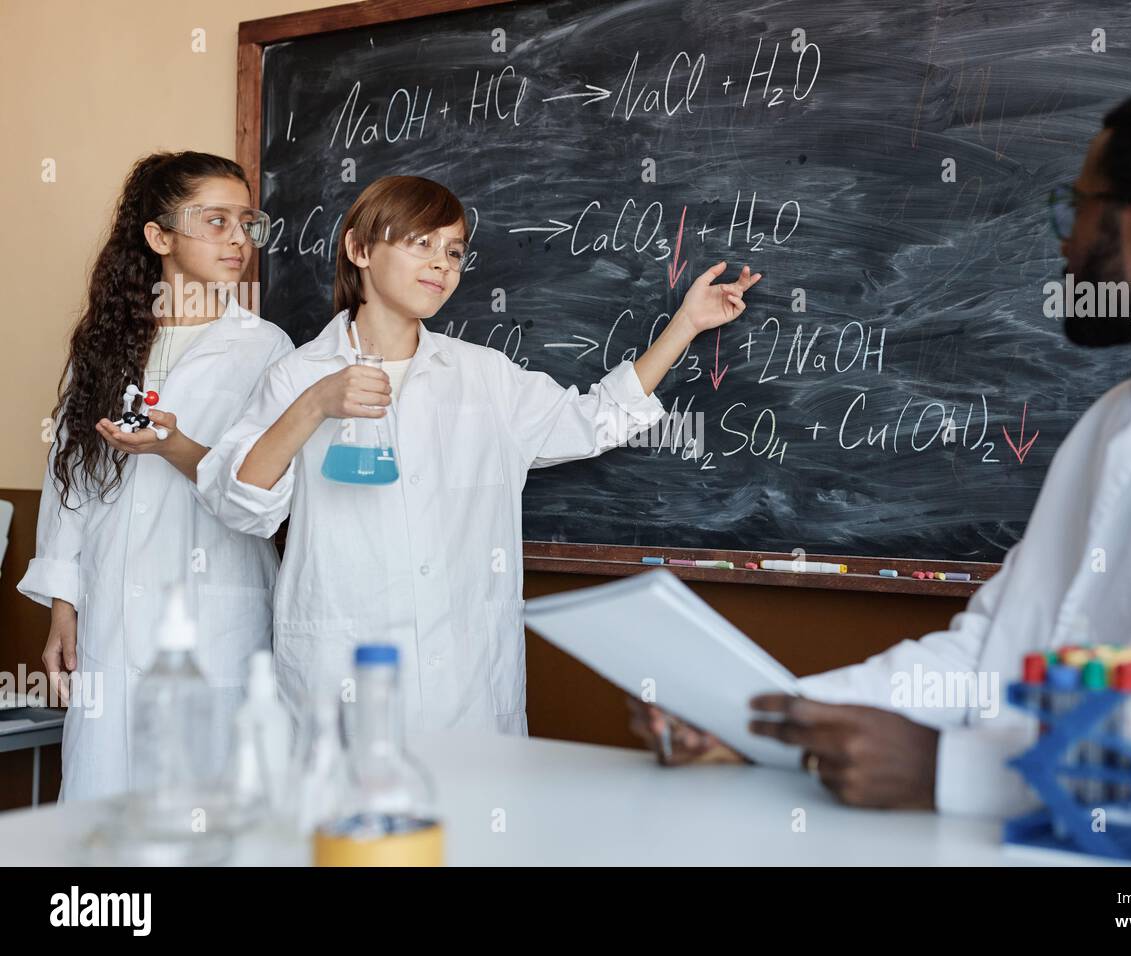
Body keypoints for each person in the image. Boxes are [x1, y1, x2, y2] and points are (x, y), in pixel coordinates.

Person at [629, 73, 1131, 831]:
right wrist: (770, 721)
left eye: (1075, 209)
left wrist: (954, 771)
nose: (1064, 240)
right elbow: (992, 656)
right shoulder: (1118, 417)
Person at [200, 174, 761, 740]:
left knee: (475, 817)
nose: (442, 263)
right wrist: (313, 406)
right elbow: (240, 504)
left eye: (454, 251)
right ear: (359, 249)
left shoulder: (483, 376)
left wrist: (686, 325)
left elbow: (596, 420)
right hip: (342, 678)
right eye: (420, 242)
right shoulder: (297, 375)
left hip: (466, 683)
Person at [19, 151, 293, 800]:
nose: (238, 240)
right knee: (105, 806)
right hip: (110, 609)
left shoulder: (265, 350)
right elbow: (71, 482)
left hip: (218, 613)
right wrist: (64, 608)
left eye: (246, 222)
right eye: (216, 221)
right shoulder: (108, 345)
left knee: (209, 807)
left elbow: (263, 495)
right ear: (159, 237)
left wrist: (175, 447)